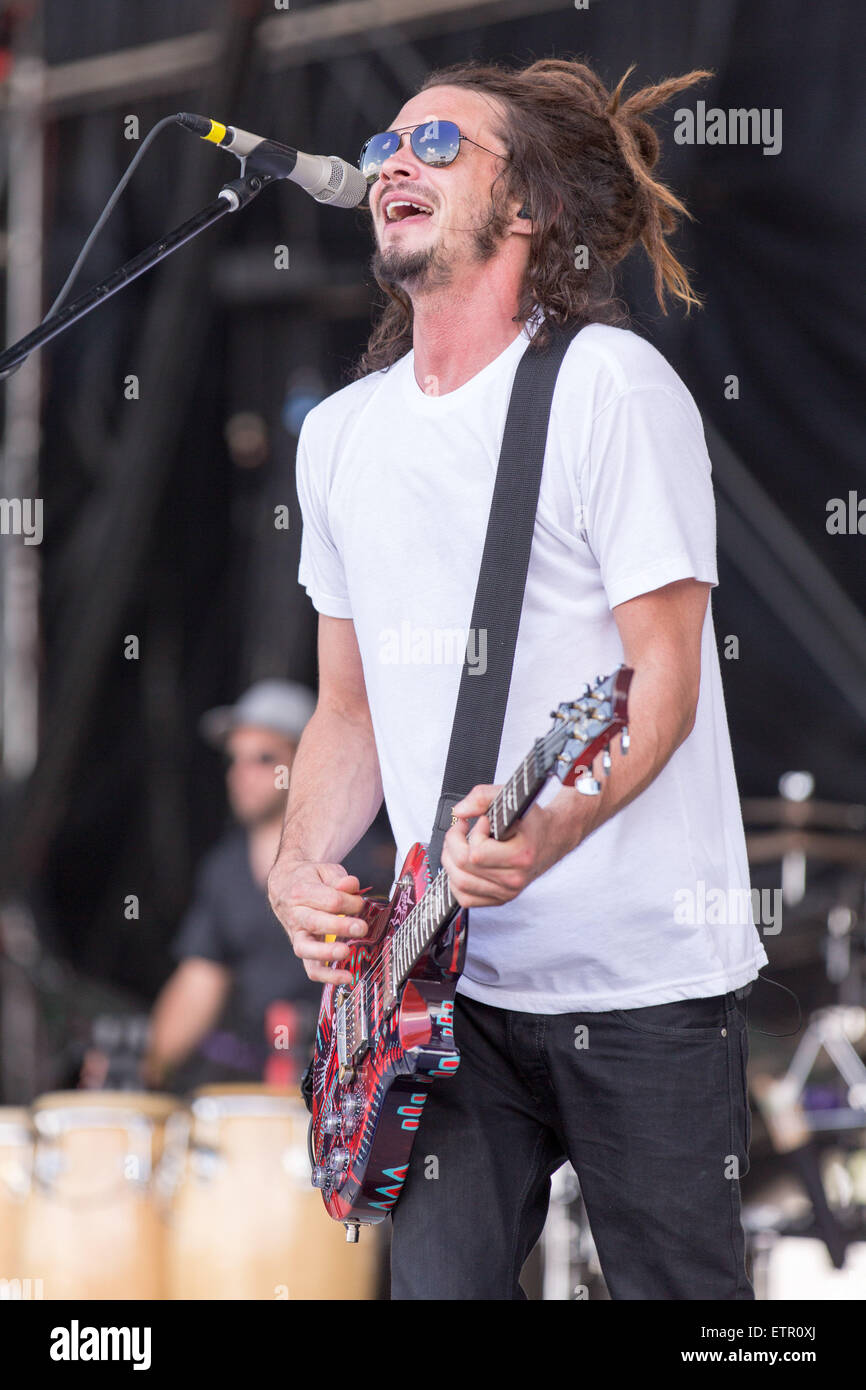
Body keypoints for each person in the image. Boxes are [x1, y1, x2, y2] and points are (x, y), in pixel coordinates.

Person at [267, 58, 768, 1300]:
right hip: (449, 985)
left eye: (437, 141)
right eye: (384, 139)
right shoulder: (338, 437)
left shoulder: (609, 387)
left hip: (642, 980)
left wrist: (549, 832)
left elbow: (659, 683)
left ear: (528, 205)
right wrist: (294, 864)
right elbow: (349, 708)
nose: (395, 157)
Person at [143, 680, 324, 1090]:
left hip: (352, 1083)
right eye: (235, 759)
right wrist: (145, 1070)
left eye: (263, 758)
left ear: (309, 760)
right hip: (259, 1092)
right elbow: (199, 981)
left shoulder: (367, 855)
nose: (242, 774)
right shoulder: (223, 870)